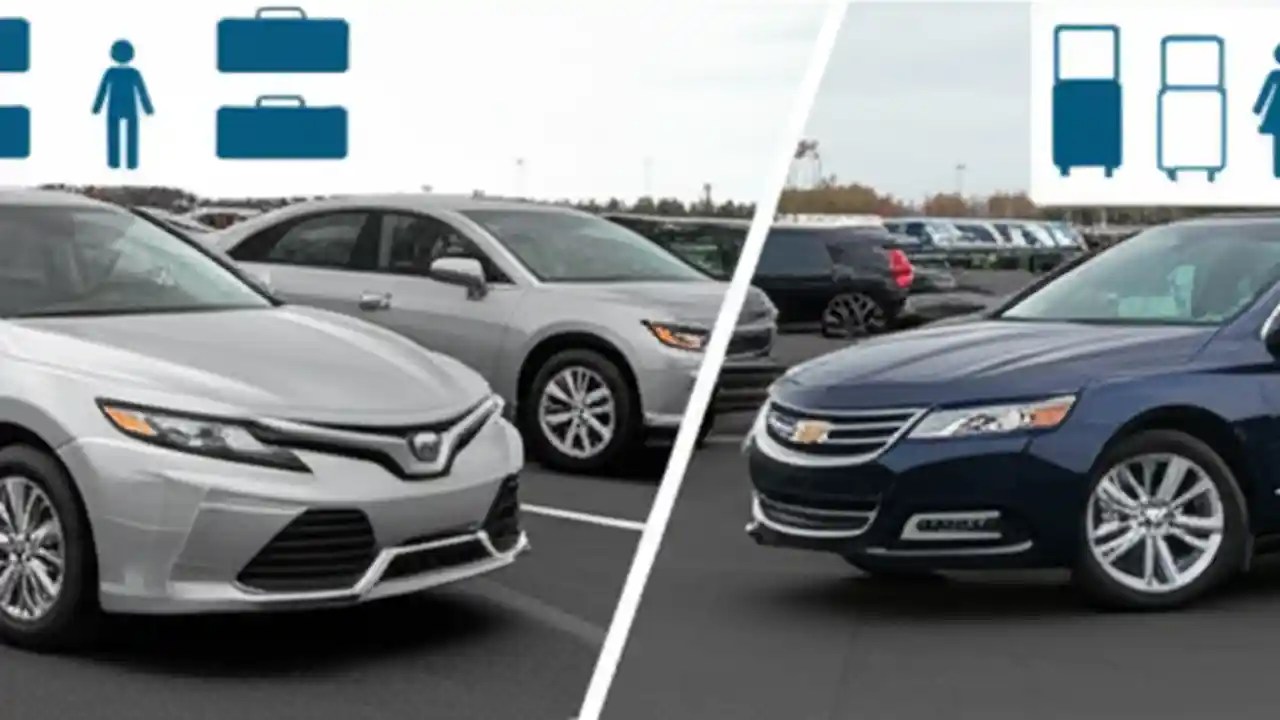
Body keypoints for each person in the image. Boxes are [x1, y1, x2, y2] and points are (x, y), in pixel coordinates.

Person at [91, 40, 154, 170]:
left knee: (113, 134)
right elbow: (142, 91)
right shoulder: (134, 73)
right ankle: (132, 163)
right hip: (130, 106)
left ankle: (113, 162)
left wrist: (96, 108)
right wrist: (148, 109)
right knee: (132, 134)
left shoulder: (110, 72)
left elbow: (102, 90)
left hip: (114, 106)